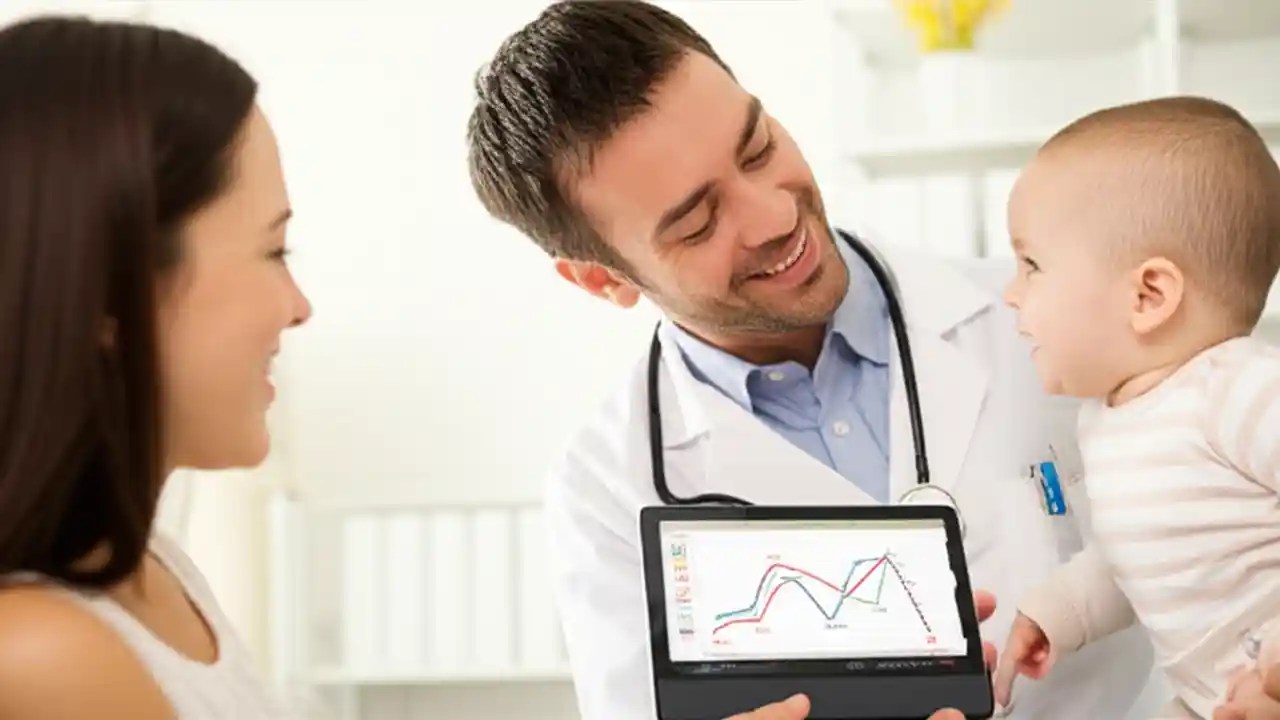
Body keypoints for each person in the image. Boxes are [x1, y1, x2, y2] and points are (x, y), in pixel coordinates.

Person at [466, 1, 1154, 718]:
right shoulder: (606, 491)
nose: (774, 216)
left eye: (758, 147)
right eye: (700, 223)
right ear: (603, 279)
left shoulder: (1043, 317)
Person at [0, 15, 311, 719]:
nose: (298, 307)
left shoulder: (155, 570)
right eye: (275, 251)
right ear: (114, 289)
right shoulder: (44, 660)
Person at [993, 96, 1280, 719]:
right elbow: (1129, 555)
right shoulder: (1105, 420)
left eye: (1032, 265)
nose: (1011, 295)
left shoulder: (1237, 391)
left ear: (1148, 295)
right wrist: (1059, 611)